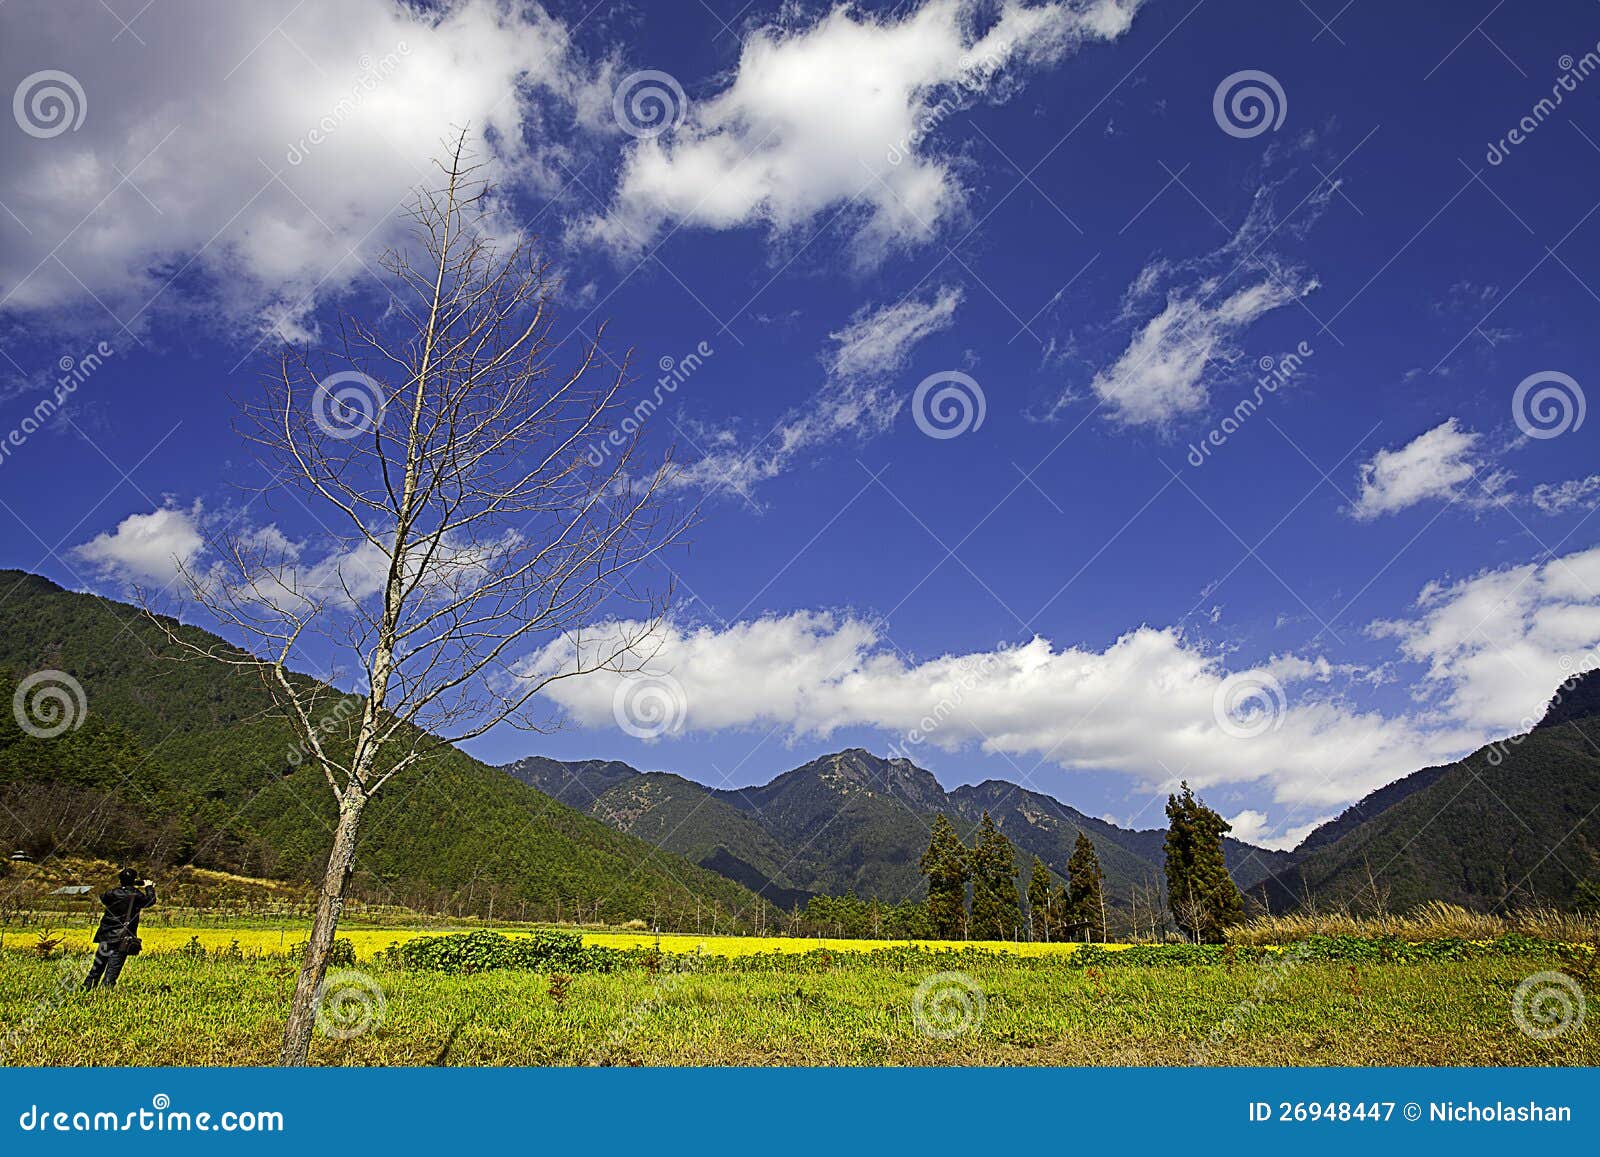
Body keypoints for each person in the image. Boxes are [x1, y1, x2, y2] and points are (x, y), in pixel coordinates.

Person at [83, 868, 156, 989]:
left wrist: (127, 885)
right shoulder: (135, 895)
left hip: (106, 935)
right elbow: (150, 901)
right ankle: (105, 993)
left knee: (97, 966)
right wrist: (149, 887)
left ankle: (87, 988)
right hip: (122, 937)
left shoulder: (111, 893)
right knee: (113, 969)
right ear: (133, 880)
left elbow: (103, 897)